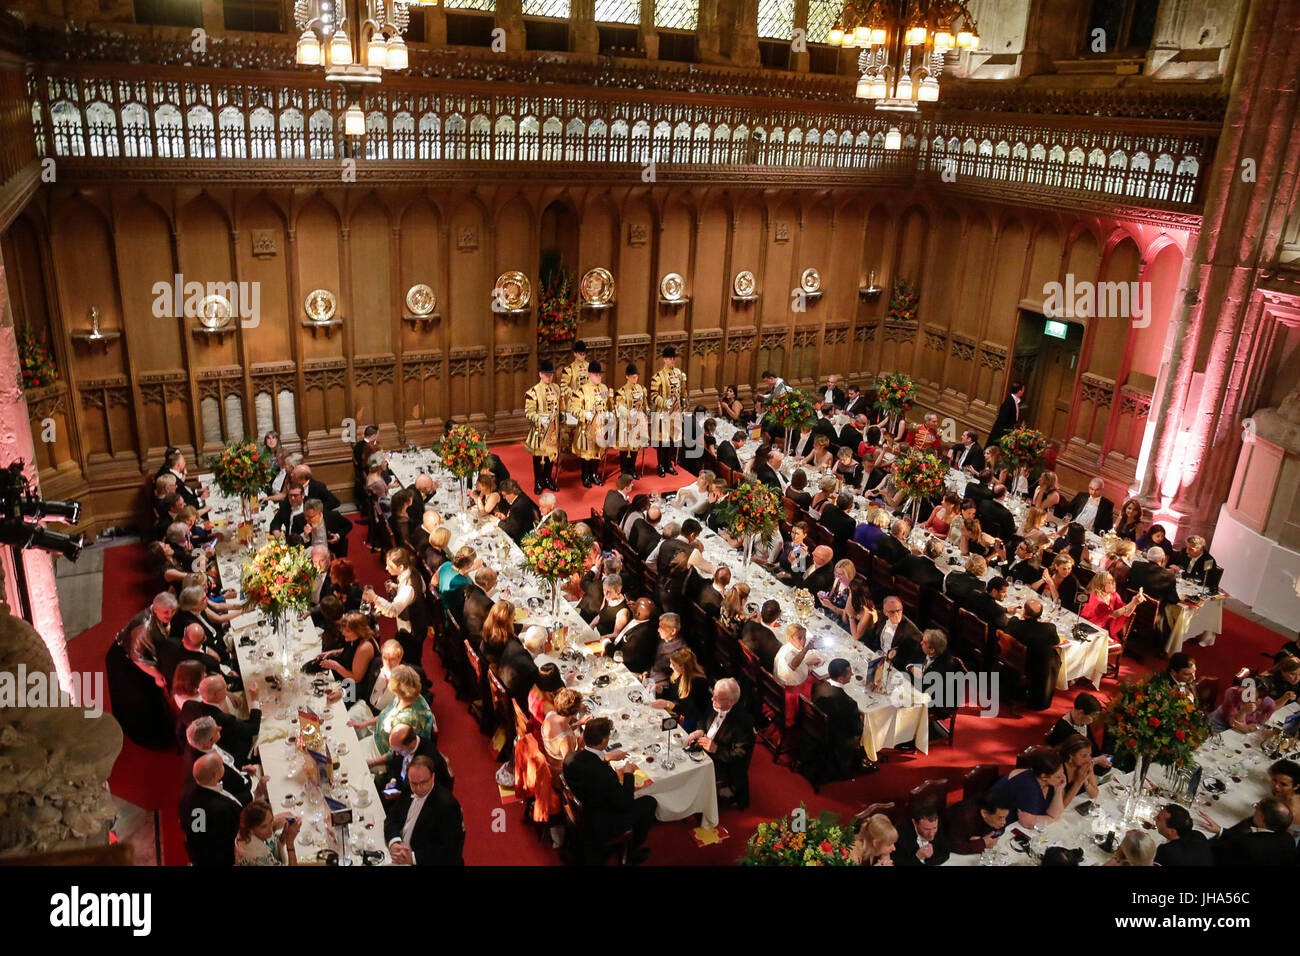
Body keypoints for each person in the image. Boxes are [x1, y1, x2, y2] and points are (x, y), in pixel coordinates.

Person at [562, 717, 658, 864]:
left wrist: (605, 759)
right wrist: (628, 774)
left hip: (584, 811)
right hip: (603, 822)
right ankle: (632, 850)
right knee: (649, 802)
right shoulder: (605, 774)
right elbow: (625, 803)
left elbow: (589, 767)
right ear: (603, 742)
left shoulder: (570, 758)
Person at [685, 678, 755, 809]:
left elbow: (740, 756)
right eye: (713, 694)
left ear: (730, 702)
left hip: (723, 763)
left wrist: (716, 749)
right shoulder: (716, 703)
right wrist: (699, 730)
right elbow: (703, 719)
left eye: (717, 697)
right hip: (705, 749)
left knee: (690, 771)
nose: (712, 699)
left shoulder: (743, 723)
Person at [384, 756, 465, 866]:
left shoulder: (448, 806)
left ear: (433, 777)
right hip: (398, 850)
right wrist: (394, 842)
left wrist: (412, 858)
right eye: (414, 783)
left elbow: (448, 852)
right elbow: (393, 816)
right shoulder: (409, 785)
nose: (418, 789)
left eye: (423, 783)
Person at [363, 547, 429, 665]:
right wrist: (397, 587)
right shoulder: (413, 572)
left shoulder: (408, 588)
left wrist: (375, 598)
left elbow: (393, 610)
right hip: (416, 624)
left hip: (412, 630)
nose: (386, 568)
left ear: (401, 567)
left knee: (409, 661)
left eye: (390, 566)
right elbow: (422, 589)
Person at [179, 753, 246, 866]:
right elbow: (235, 834)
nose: (225, 766)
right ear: (215, 775)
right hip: (220, 857)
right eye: (222, 765)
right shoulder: (222, 809)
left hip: (198, 850)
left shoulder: (188, 788)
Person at [808, 659, 866, 782]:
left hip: (817, 728)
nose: (852, 675)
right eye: (850, 673)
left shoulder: (817, 686)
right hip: (836, 738)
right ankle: (861, 760)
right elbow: (857, 730)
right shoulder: (849, 703)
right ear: (841, 679)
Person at [1004, 600, 1062, 710]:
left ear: (1024, 612)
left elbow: (1013, 622)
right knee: (1053, 656)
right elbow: (1056, 642)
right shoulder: (1049, 628)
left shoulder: (1014, 623)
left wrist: (1017, 614)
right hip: (1037, 666)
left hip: (1015, 660)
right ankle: (1041, 697)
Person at [988, 748, 1066, 827]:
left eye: (1063, 772)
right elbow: (1028, 823)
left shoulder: (1049, 782)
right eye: (1058, 776)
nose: (1063, 778)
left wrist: (1059, 790)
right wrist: (1052, 819)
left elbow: (1055, 813)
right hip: (998, 824)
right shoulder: (1028, 786)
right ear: (1044, 776)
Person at [569, 359, 613, 487]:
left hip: (600, 427)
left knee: (598, 452)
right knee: (587, 454)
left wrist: (609, 413)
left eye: (600, 374)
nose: (599, 377)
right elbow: (574, 409)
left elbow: (609, 402)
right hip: (586, 428)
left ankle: (594, 474)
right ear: (589, 375)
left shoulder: (604, 388)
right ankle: (585, 476)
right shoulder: (581, 391)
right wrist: (585, 414)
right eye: (596, 374)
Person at [649, 648, 711, 731]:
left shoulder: (698, 683)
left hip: (692, 721)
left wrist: (669, 705)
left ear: (683, 667)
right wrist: (660, 689)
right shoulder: (677, 674)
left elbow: (694, 713)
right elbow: (674, 695)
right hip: (679, 712)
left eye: (674, 665)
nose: (671, 666)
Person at [524, 360, 563, 493]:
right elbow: (529, 413)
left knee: (551, 456)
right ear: (540, 374)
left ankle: (548, 478)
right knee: (539, 458)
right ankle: (539, 481)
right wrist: (541, 419)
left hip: (553, 429)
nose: (549, 377)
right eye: (546, 374)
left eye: (551, 374)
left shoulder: (556, 389)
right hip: (539, 431)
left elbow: (560, 408)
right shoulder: (533, 392)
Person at [650, 346, 688, 477]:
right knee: (662, 441)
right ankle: (660, 465)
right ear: (664, 360)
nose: (672, 360)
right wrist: (664, 402)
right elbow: (653, 395)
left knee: (672, 440)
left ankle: (669, 464)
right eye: (670, 358)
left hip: (676, 412)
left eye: (674, 358)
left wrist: (684, 405)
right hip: (663, 413)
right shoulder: (658, 377)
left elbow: (683, 392)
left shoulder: (680, 374)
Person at [1081, 570, 1147, 639]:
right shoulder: (1096, 599)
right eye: (1110, 582)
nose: (1114, 583)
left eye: (1113, 581)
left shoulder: (1113, 595)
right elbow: (1114, 614)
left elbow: (1126, 612)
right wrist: (1132, 602)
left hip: (1103, 630)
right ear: (1101, 585)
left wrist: (1135, 603)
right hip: (1089, 629)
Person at [863, 595, 923, 669]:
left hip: (894, 667)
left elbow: (909, 660)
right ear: (885, 612)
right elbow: (872, 637)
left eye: (898, 610)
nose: (896, 615)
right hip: (876, 658)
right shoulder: (881, 616)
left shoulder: (912, 632)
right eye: (892, 612)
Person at [235, 801, 301, 866]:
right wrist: (290, 843)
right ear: (251, 829)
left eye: (271, 821)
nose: (270, 830)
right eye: (264, 827)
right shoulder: (256, 857)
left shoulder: (257, 835)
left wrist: (285, 834)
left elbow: (273, 843)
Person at [946, 791, 1013, 855]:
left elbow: (1000, 829)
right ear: (984, 813)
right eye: (1000, 818)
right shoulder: (964, 817)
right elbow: (955, 846)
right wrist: (983, 843)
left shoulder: (995, 812)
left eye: (1005, 817)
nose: (1004, 822)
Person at [1209, 684, 1279, 733]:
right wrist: (1243, 712)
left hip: (1240, 733)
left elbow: (1259, 726)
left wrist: (1246, 728)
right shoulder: (1233, 692)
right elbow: (1233, 723)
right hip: (1217, 725)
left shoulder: (1269, 706)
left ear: (1259, 700)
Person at [740, 600, 783, 671]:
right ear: (778, 616)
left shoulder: (749, 624)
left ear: (761, 612)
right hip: (760, 669)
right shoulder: (774, 642)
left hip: (744, 660)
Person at [1058, 733, 1100, 803]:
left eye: (1089, 755)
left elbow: (1094, 794)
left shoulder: (1086, 765)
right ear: (1071, 756)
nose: (1089, 759)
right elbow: (1062, 804)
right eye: (1084, 756)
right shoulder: (1059, 769)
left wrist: (1085, 781)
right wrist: (1078, 782)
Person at [987, 381, 1025, 446]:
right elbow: (1002, 421)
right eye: (1023, 390)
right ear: (1019, 391)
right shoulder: (1009, 402)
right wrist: (1003, 436)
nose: (1024, 392)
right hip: (1001, 434)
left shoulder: (1014, 401)